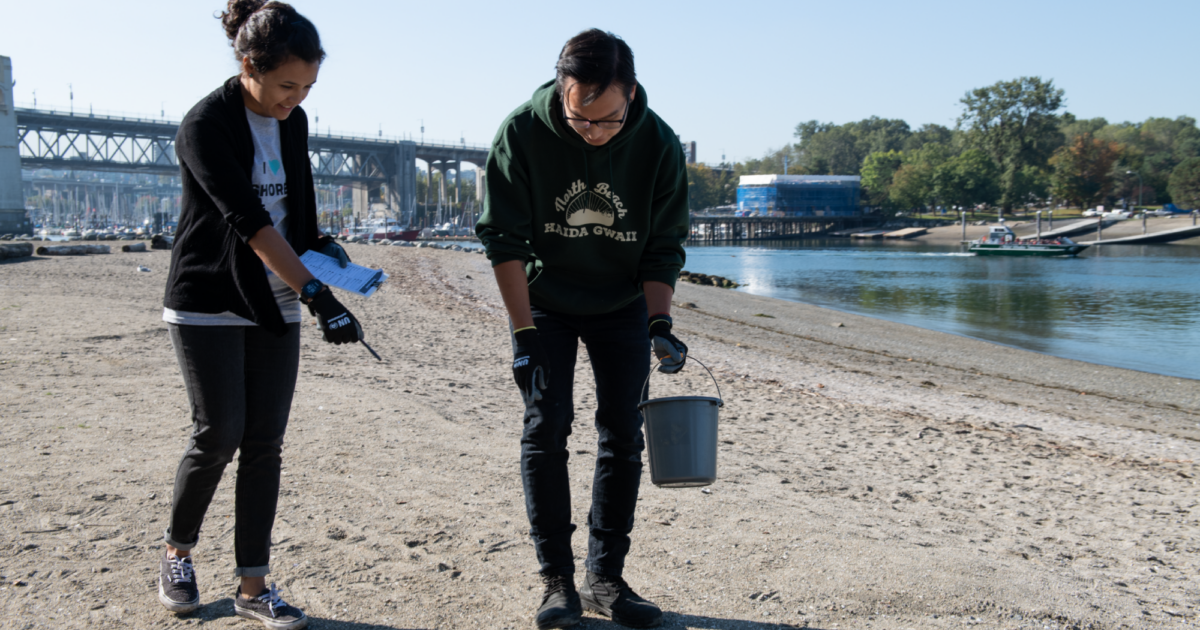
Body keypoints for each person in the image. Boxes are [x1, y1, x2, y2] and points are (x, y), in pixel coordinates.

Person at [156, 2, 362, 628]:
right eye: (285, 85)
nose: (294, 101)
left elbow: (293, 208)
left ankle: (253, 588)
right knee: (219, 433)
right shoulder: (204, 125)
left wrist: (324, 251)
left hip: (278, 297)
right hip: (209, 298)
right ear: (250, 65)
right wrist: (318, 296)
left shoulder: (291, 121)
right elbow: (247, 221)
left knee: (265, 444)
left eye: (306, 88)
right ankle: (177, 553)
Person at [476, 29, 690, 630]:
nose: (592, 132)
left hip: (622, 302)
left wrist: (659, 320)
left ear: (631, 94)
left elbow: (663, 244)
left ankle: (605, 578)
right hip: (545, 300)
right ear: (561, 92)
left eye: (607, 120)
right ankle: (556, 581)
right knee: (547, 428)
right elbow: (503, 241)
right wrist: (523, 334)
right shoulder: (521, 131)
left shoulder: (658, 142)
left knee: (623, 434)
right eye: (579, 119)